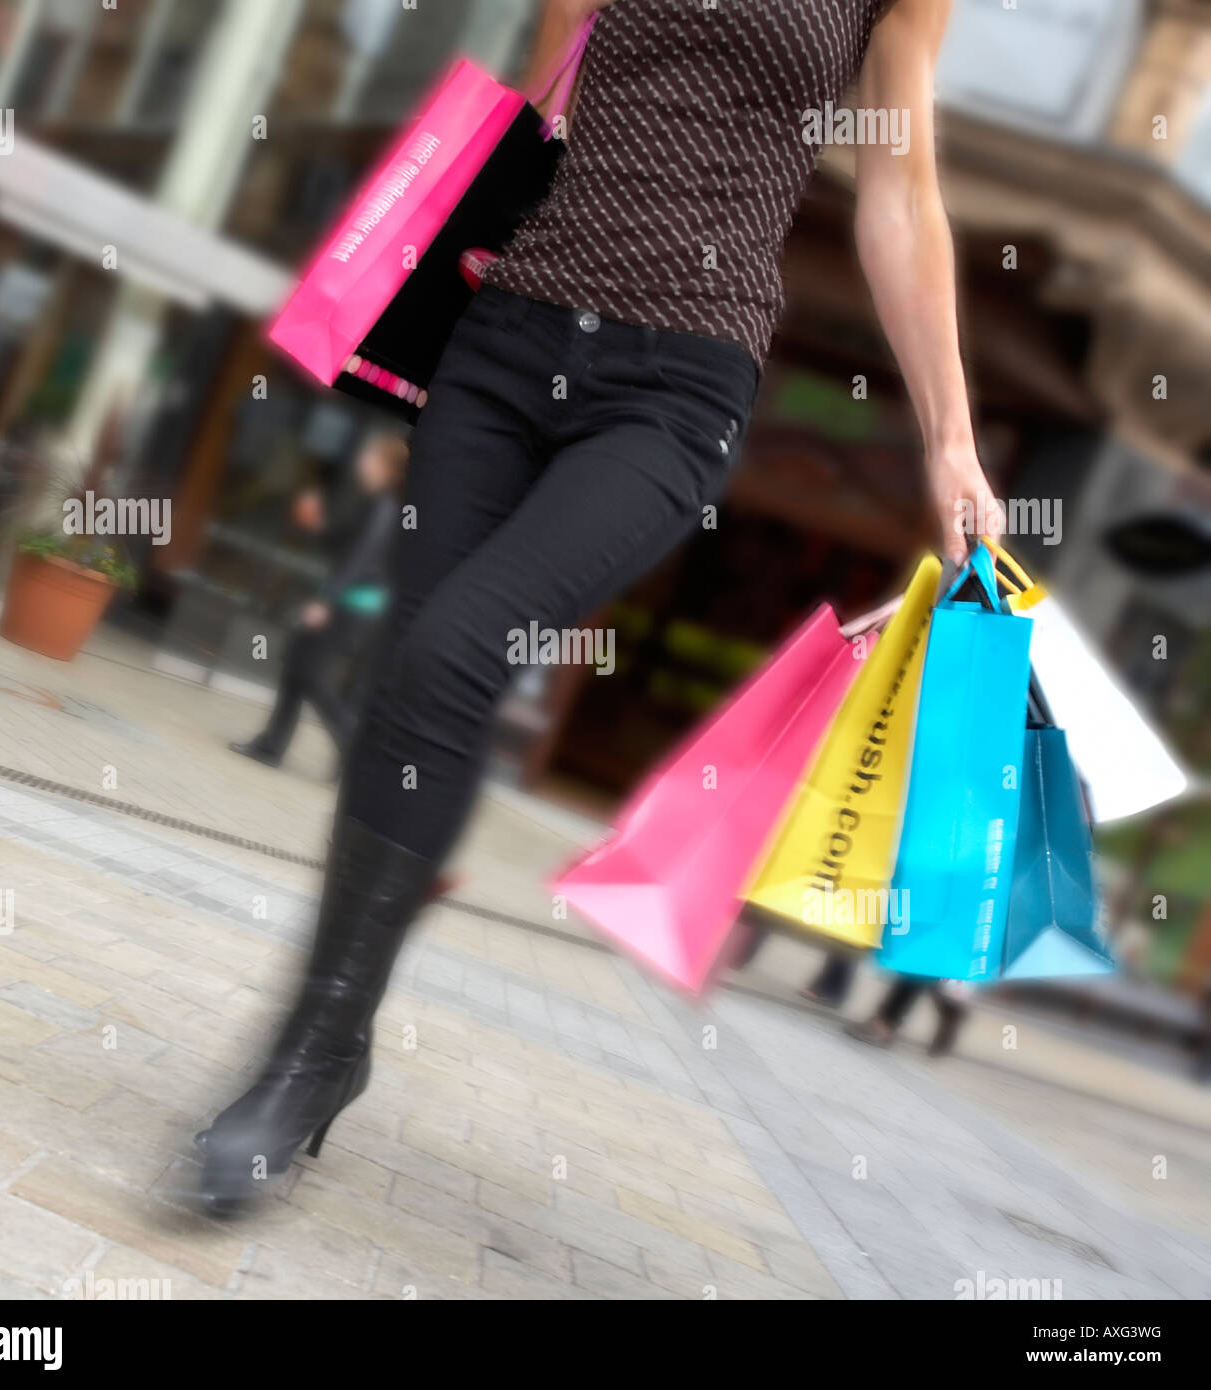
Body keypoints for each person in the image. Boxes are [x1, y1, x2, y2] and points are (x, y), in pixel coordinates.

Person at [196, 0, 1006, 1213]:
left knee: (454, 653)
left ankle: (310, 1052)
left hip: (677, 386)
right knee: (415, 672)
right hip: (505, 336)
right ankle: (319, 1044)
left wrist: (949, 436)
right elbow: (549, 98)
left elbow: (898, 193)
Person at [229, 431, 407, 773]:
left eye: (369, 456)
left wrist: (326, 602)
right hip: (349, 602)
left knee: (308, 674)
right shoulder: (372, 504)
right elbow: (339, 545)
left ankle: (349, 746)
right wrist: (315, 525)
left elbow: (359, 559)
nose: (362, 461)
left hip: (350, 604)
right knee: (299, 668)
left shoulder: (382, 509)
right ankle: (276, 745)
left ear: (384, 468)